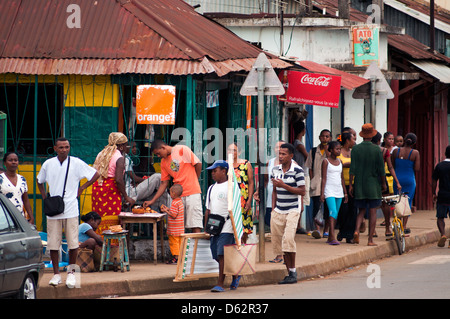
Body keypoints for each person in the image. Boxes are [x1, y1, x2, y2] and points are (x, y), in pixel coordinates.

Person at [37, 137, 99, 288]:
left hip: (71, 209)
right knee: (53, 243)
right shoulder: (48, 164)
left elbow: (95, 174)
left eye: (66, 147)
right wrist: (45, 198)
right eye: (61, 147)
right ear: (55, 148)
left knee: (72, 243)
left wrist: (82, 188)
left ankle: (71, 273)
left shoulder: (76, 162)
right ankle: (56, 274)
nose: (64, 149)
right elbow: (39, 181)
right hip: (54, 210)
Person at [144, 140, 203, 233]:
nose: (158, 156)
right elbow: (164, 183)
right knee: (178, 226)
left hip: (192, 192)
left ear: (163, 147)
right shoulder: (163, 162)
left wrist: (195, 179)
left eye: (158, 153)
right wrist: (152, 200)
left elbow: (198, 163)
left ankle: (196, 247)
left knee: (195, 224)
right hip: (177, 196)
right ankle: (180, 248)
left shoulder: (182, 149)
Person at [271, 143, 306, 284]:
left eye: (284, 154)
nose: (281, 156)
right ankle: (289, 272)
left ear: (291, 156)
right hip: (279, 210)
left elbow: (302, 191)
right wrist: (273, 208)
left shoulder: (298, 170)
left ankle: (293, 271)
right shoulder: (275, 170)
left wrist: (284, 186)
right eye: (280, 154)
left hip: (293, 209)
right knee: (280, 244)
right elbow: (274, 190)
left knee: (289, 240)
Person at [205, 160, 240, 292]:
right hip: (214, 225)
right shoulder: (211, 188)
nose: (213, 174)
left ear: (224, 171)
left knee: (222, 254)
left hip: (227, 225)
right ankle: (236, 273)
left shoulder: (232, 187)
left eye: (215, 171)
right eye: (212, 171)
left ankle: (220, 283)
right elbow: (208, 209)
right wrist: (206, 228)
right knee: (215, 254)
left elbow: (236, 207)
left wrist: (236, 227)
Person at [349, 124, 386, 246]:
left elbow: (352, 169)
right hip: (373, 185)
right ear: (372, 135)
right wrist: (384, 183)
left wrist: (350, 185)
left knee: (361, 211)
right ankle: (370, 240)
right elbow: (381, 169)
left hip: (359, 184)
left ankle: (356, 231)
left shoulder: (355, 149)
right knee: (373, 211)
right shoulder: (377, 149)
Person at [92, 132, 135, 234]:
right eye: (125, 145)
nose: (126, 147)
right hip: (110, 190)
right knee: (112, 219)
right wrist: (126, 196)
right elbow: (119, 180)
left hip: (97, 188)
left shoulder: (101, 154)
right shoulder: (119, 158)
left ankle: (100, 244)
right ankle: (111, 246)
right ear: (120, 146)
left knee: (99, 218)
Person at [304, 129, 331, 239]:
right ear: (319, 137)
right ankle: (317, 229)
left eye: (327, 136)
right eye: (323, 136)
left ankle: (326, 230)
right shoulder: (314, 151)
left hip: (328, 183)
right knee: (316, 207)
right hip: (316, 182)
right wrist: (312, 178)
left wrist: (327, 150)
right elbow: (309, 167)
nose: (325, 138)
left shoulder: (331, 151)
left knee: (328, 208)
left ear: (330, 138)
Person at [392, 132, 420, 233]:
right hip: (409, 180)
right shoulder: (415, 153)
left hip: (397, 179)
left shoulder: (396, 151)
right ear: (414, 143)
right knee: (407, 202)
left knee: (397, 201)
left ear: (404, 140)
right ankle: (403, 226)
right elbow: (417, 168)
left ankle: (397, 224)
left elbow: (393, 166)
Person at [320, 141, 347, 245]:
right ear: (330, 150)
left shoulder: (340, 161)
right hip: (329, 190)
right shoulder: (326, 161)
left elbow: (342, 178)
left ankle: (330, 237)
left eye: (340, 149)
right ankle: (332, 236)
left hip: (339, 190)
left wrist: (345, 192)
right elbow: (323, 178)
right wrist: (322, 193)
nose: (339, 150)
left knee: (335, 214)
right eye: (337, 149)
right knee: (333, 211)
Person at [227, 143, 254, 243]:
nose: (231, 152)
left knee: (244, 225)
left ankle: (243, 247)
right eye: (229, 150)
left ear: (239, 152)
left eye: (234, 150)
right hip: (229, 199)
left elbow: (251, 183)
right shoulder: (225, 164)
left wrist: (249, 200)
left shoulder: (246, 164)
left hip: (243, 199)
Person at [0, 152, 34, 224]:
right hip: (3, 217)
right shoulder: (1, 179)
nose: (13, 162)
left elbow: (25, 200)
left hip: (19, 217)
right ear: (5, 163)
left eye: (15, 160)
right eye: (10, 160)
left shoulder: (22, 179)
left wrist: (31, 217)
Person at [336, 132, 356, 243]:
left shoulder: (354, 152)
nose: (354, 141)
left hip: (353, 184)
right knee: (343, 209)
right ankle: (342, 231)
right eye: (353, 139)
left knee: (353, 210)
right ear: (347, 140)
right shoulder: (339, 152)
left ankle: (350, 235)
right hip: (341, 184)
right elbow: (337, 163)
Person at [160, 184, 184, 264]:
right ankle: (180, 257)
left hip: (174, 229)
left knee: (174, 243)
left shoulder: (174, 203)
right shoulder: (180, 201)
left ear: (173, 193)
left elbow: (173, 215)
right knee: (179, 243)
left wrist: (166, 211)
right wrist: (168, 209)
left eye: (170, 192)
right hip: (180, 228)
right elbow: (175, 212)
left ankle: (176, 258)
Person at [432, 145, 450, 247]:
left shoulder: (440, 166)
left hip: (442, 195)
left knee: (440, 217)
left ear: (445, 153)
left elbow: (434, 181)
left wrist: (434, 193)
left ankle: (443, 234)